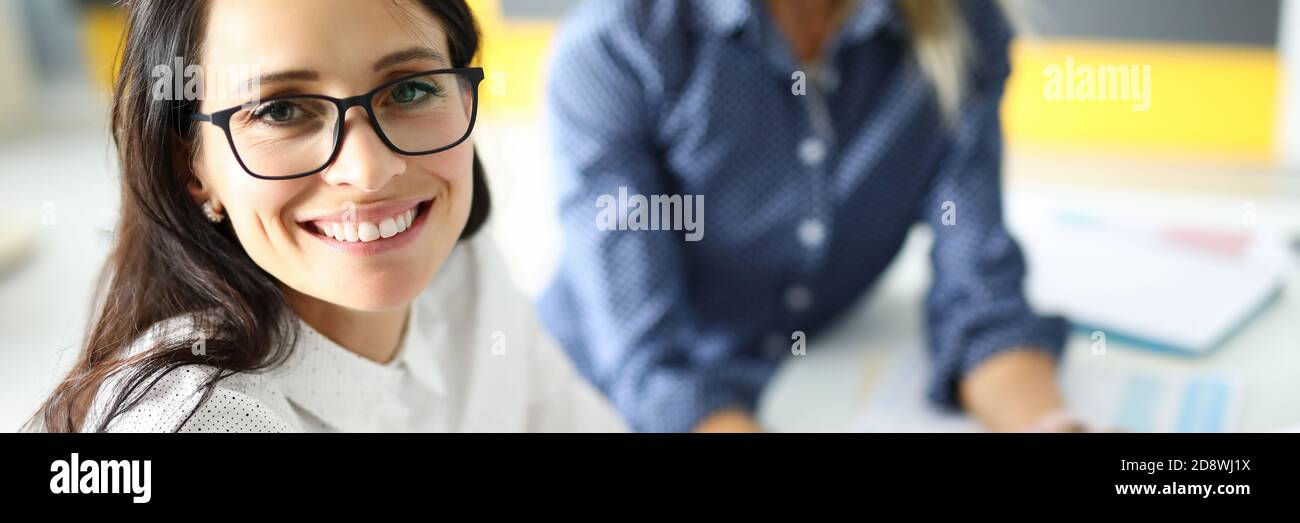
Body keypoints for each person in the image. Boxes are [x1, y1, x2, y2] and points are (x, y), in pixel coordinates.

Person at [29, 0, 624, 433]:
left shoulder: (463, 270)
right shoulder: (201, 421)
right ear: (194, 165)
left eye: (412, 90)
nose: (368, 170)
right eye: (282, 109)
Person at [540, 0, 1076, 432]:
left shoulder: (961, 27)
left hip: (814, 372)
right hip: (593, 397)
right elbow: (650, 369)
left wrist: (1051, 425)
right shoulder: (619, 41)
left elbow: (979, 297)